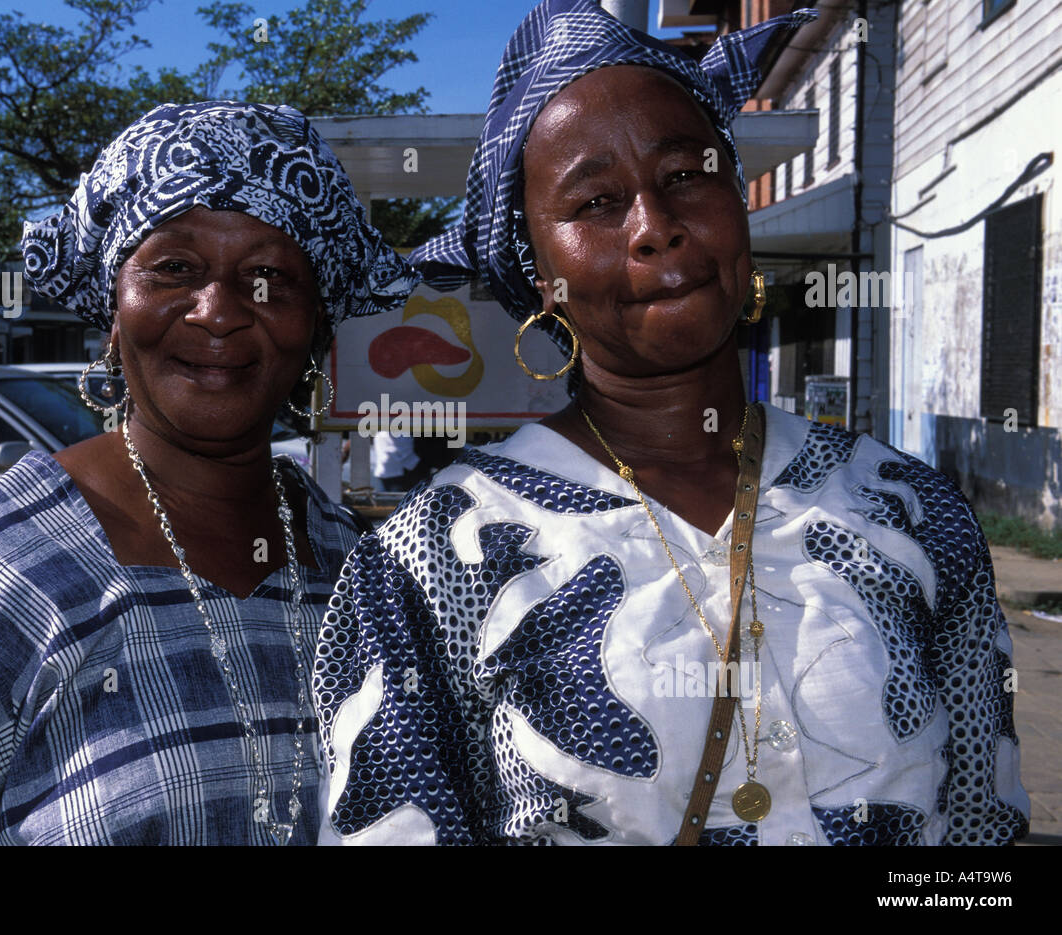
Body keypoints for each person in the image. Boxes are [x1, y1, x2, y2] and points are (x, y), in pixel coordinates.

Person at [311, 0, 1030, 845]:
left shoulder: (911, 511)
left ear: (738, 198)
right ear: (541, 275)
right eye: (596, 202)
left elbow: (982, 835)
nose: (655, 227)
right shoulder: (429, 563)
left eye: (687, 174)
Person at [0, 101, 417, 845]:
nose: (219, 311)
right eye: (175, 268)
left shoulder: (362, 574)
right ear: (113, 308)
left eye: (269, 277)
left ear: (318, 327)